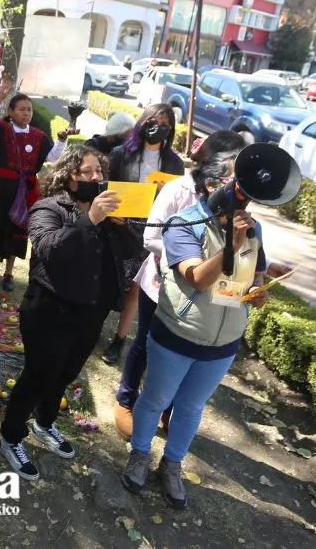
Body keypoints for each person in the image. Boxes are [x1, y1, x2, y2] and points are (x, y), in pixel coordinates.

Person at [121, 147, 269, 509]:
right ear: (211, 184)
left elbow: (255, 277)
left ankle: (172, 464)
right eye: (234, 181)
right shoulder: (184, 222)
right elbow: (199, 279)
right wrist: (231, 246)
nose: (242, 193)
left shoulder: (253, 228)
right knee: (155, 399)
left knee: (190, 408)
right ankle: (139, 454)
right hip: (178, 335)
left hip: (223, 343)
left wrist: (258, 293)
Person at [0, 145, 127, 480]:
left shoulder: (109, 212)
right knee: (38, 376)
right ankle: (11, 436)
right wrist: (91, 220)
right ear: (70, 176)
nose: (97, 177)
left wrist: (123, 226)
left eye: (100, 171)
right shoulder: (48, 208)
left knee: (66, 374)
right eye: (89, 172)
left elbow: (130, 253)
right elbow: (48, 250)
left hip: (90, 313)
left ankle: (44, 422)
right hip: (49, 313)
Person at [112, 129, 248, 438]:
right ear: (214, 164)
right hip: (161, 284)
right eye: (233, 165)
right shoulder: (178, 189)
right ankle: (126, 398)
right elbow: (151, 237)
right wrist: (185, 257)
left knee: (183, 361)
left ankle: (165, 411)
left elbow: (239, 253)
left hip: (204, 297)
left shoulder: (236, 205)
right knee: (146, 342)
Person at [100, 104, 185, 365]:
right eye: (154, 120)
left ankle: (119, 339)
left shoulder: (174, 163)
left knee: (135, 288)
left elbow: (179, 202)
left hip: (151, 233)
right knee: (107, 279)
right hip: (118, 226)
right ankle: (92, 324)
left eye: (165, 123)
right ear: (142, 122)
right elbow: (105, 187)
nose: (158, 126)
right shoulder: (120, 154)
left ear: (170, 129)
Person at [0, 78, 75, 291]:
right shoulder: (1, 129)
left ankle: (9, 274)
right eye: (21, 109)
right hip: (0, 188)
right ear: (11, 111)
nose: (26, 113)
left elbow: (52, 157)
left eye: (29, 110)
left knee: (18, 228)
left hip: (25, 191)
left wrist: (61, 139)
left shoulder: (38, 135)